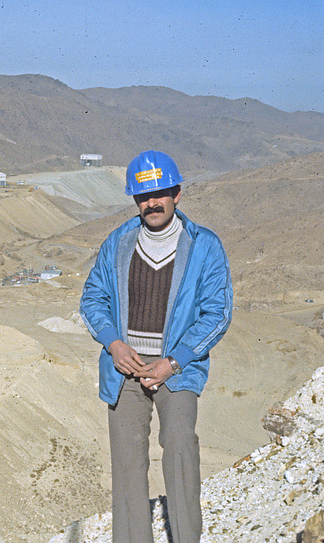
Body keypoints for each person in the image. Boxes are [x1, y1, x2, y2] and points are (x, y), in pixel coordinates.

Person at [79, 150, 233, 543]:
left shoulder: (203, 246)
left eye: (161, 192)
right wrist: (113, 344)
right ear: (135, 200)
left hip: (176, 369)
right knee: (127, 466)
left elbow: (217, 313)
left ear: (177, 194)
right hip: (124, 370)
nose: (153, 202)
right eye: (144, 195)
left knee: (181, 444)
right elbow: (93, 299)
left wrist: (174, 361)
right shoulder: (118, 243)